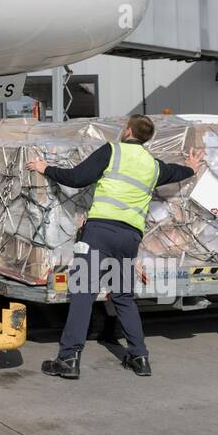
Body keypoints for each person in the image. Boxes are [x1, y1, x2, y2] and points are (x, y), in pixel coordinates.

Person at [26, 115, 201, 379]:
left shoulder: (113, 151)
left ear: (127, 130)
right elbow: (176, 172)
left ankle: (69, 358)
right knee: (123, 296)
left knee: (83, 293)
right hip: (129, 239)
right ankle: (140, 357)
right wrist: (191, 167)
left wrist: (45, 168)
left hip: (100, 233)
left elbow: (77, 178)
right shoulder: (153, 166)